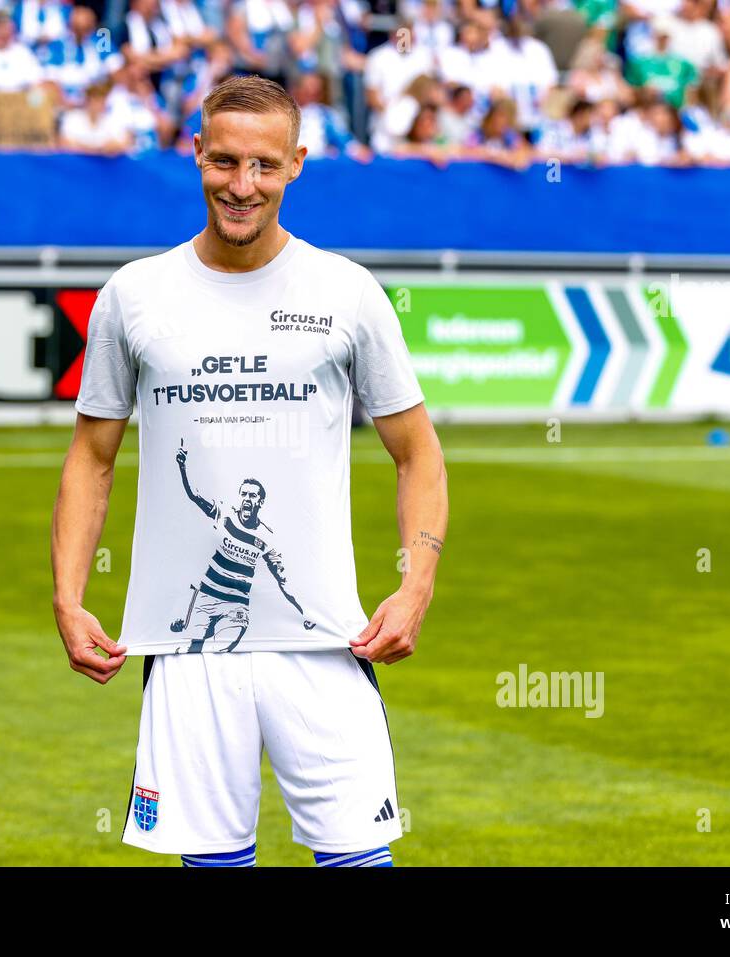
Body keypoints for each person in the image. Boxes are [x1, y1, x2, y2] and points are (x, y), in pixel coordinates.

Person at [51, 75, 447, 867]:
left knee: (359, 858)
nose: (243, 186)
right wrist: (66, 596)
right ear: (196, 153)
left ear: (296, 164)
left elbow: (418, 452)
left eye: (264, 166)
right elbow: (92, 457)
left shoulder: (347, 292)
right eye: (225, 162)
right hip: (185, 647)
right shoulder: (134, 295)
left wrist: (416, 582)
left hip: (328, 641)